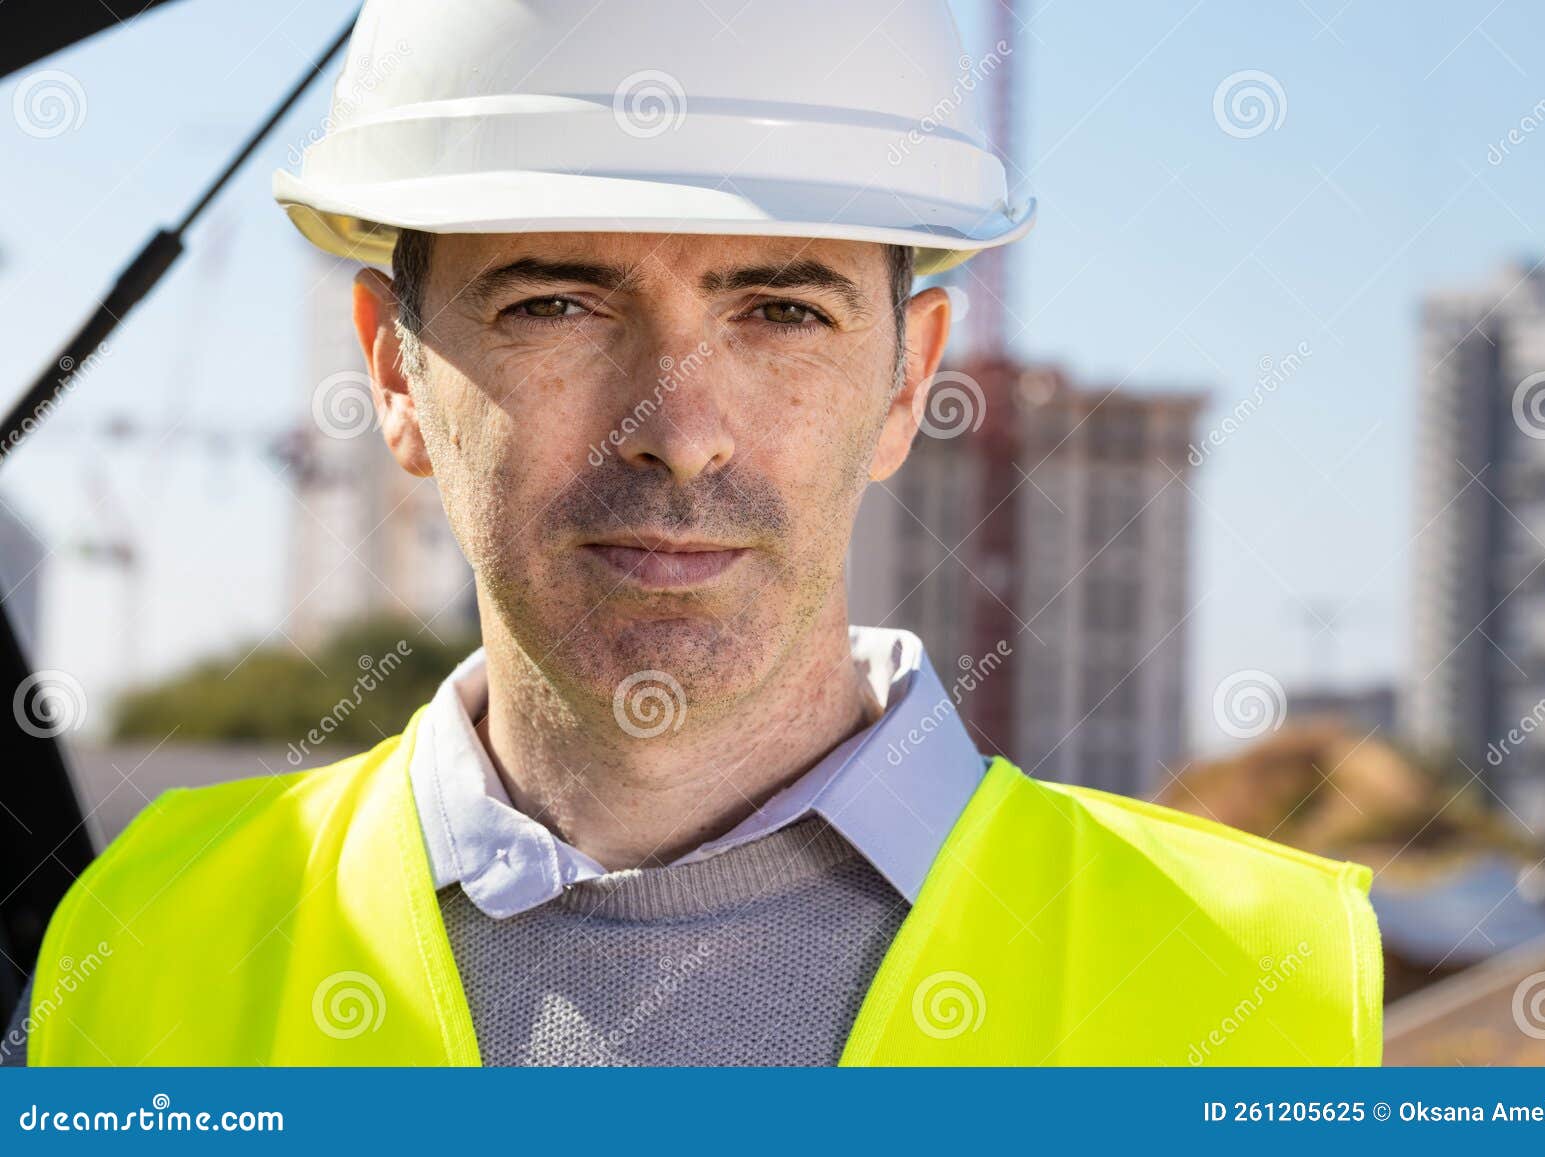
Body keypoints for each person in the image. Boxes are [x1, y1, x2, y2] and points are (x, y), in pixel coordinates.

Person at [7, 0, 1380, 1067]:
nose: (680, 430)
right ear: (395, 375)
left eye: (781, 311)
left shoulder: (1264, 979)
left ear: (908, 382)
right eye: (557, 304)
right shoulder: (147, 940)